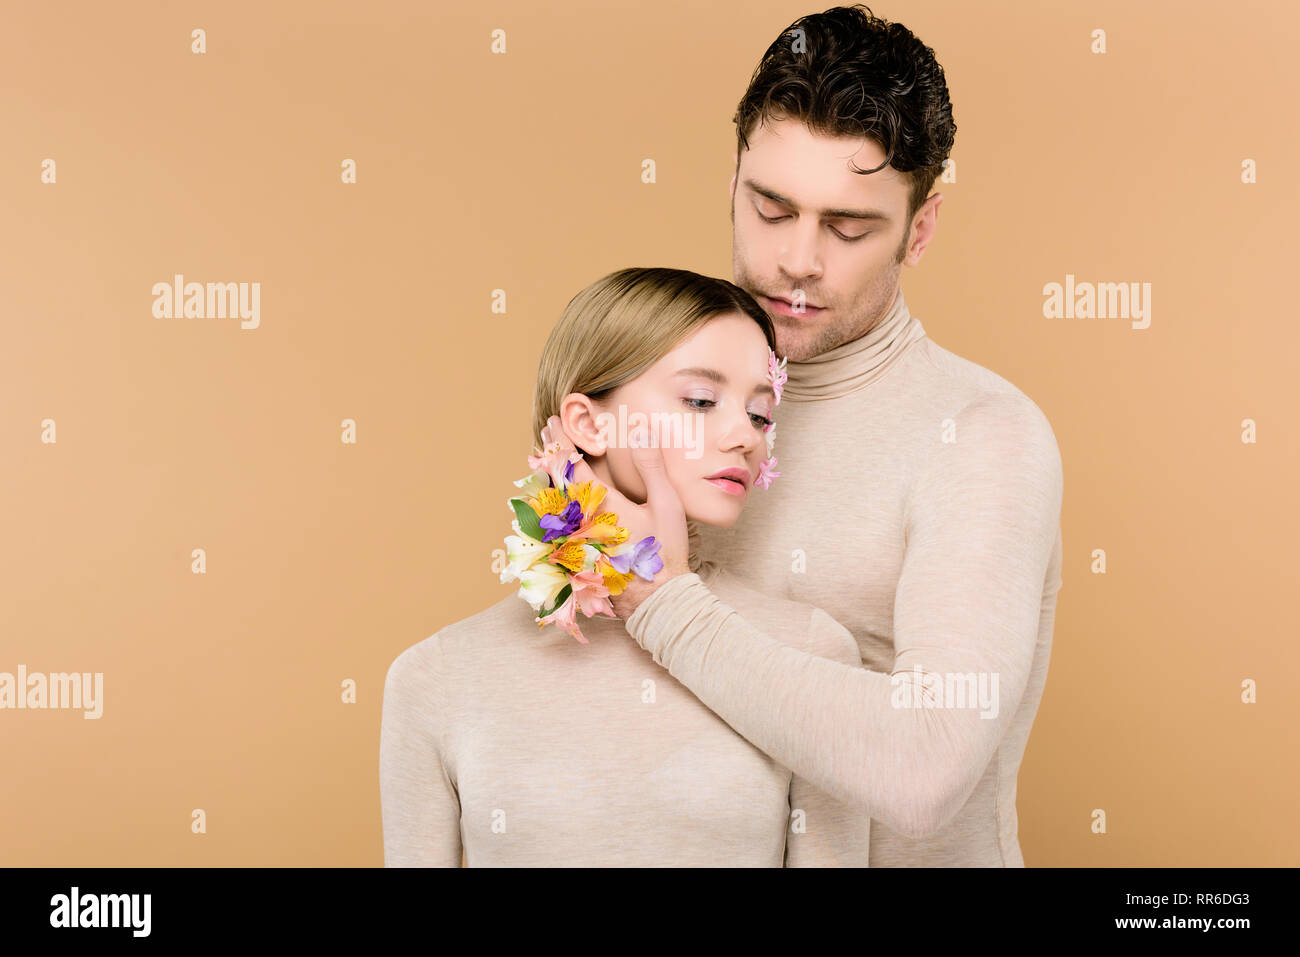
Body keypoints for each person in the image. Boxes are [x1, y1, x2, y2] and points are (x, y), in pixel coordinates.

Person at [556, 5, 1065, 867]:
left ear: (921, 227)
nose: (798, 259)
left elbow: (926, 767)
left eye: (848, 226)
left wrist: (665, 604)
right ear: (733, 181)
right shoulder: (641, 388)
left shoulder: (983, 438)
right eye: (772, 206)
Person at [379, 267, 871, 866]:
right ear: (588, 424)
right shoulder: (435, 678)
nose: (745, 434)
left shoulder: (812, 652)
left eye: (761, 414)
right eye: (700, 400)